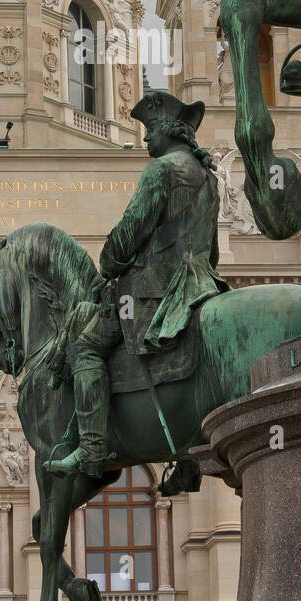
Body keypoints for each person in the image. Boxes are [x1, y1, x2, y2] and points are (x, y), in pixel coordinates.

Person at [44, 90, 228, 477]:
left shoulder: (163, 170)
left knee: (86, 347)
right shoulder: (208, 177)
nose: (145, 139)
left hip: (155, 291)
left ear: (168, 130)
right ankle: (187, 458)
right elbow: (210, 250)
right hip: (201, 285)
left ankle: (93, 448)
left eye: (150, 130)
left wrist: (109, 261)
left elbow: (130, 232)